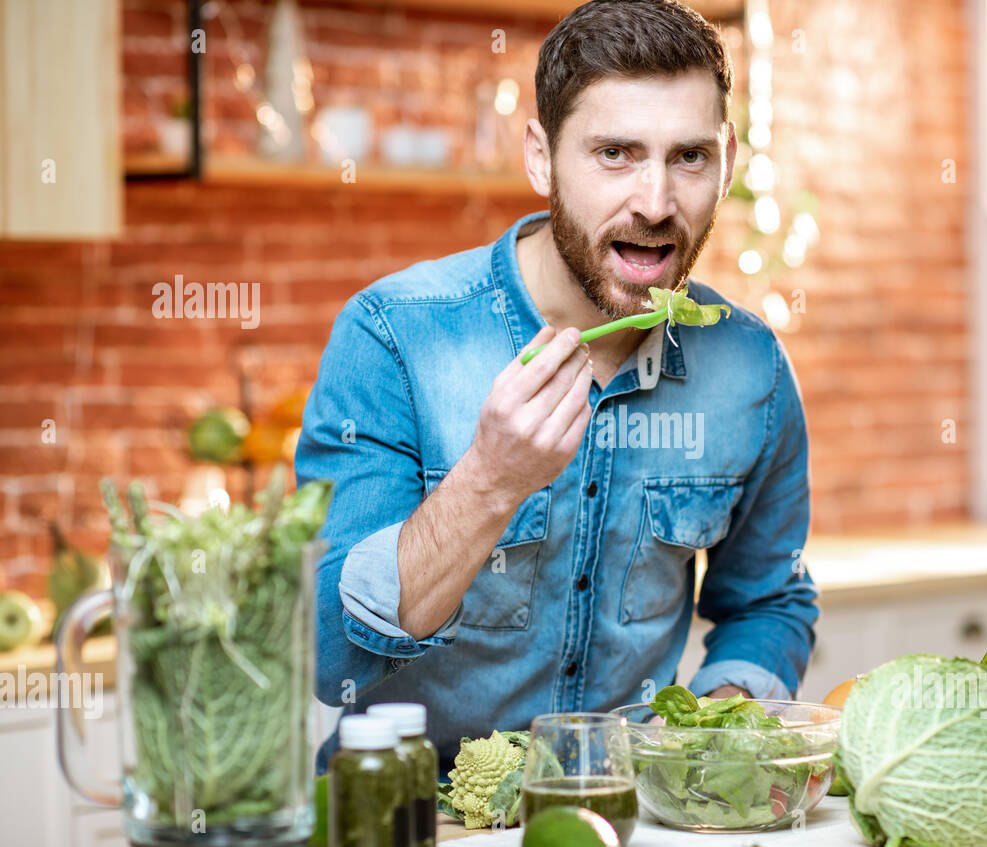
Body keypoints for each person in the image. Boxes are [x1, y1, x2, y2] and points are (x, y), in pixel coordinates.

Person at [296, 0, 818, 772]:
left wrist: (715, 729)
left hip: (625, 821)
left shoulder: (750, 366)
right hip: (407, 824)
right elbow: (328, 655)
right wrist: (488, 482)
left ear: (729, 160)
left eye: (689, 157)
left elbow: (768, 601)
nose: (654, 201)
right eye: (615, 153)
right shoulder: (395, 335)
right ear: (541, 157)